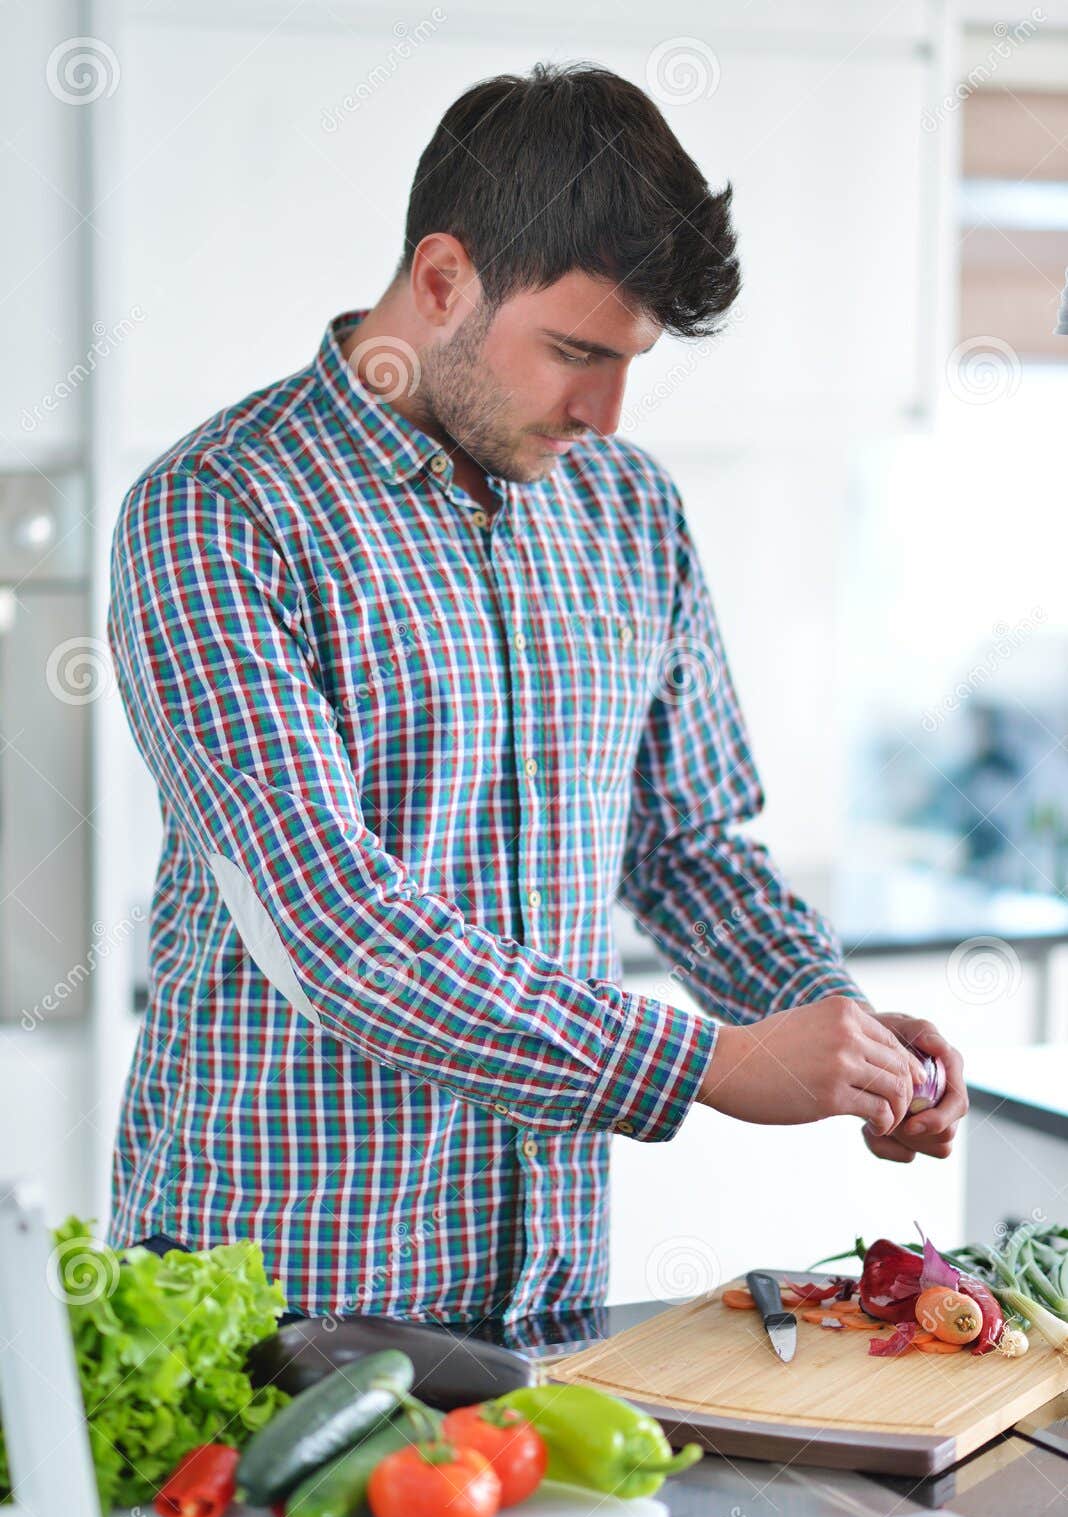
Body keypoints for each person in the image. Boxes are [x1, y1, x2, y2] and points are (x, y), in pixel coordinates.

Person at [107, 61, 966, 1323]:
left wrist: (828, 1025)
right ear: (445, 280)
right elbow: (334, 928)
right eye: (574, 351)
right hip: (279, 1300)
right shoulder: (217, 510)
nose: (607, 412)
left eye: (632, 360)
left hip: (549, 1299)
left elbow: (685, 845)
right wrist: (714, 1064)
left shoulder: (629, 510)